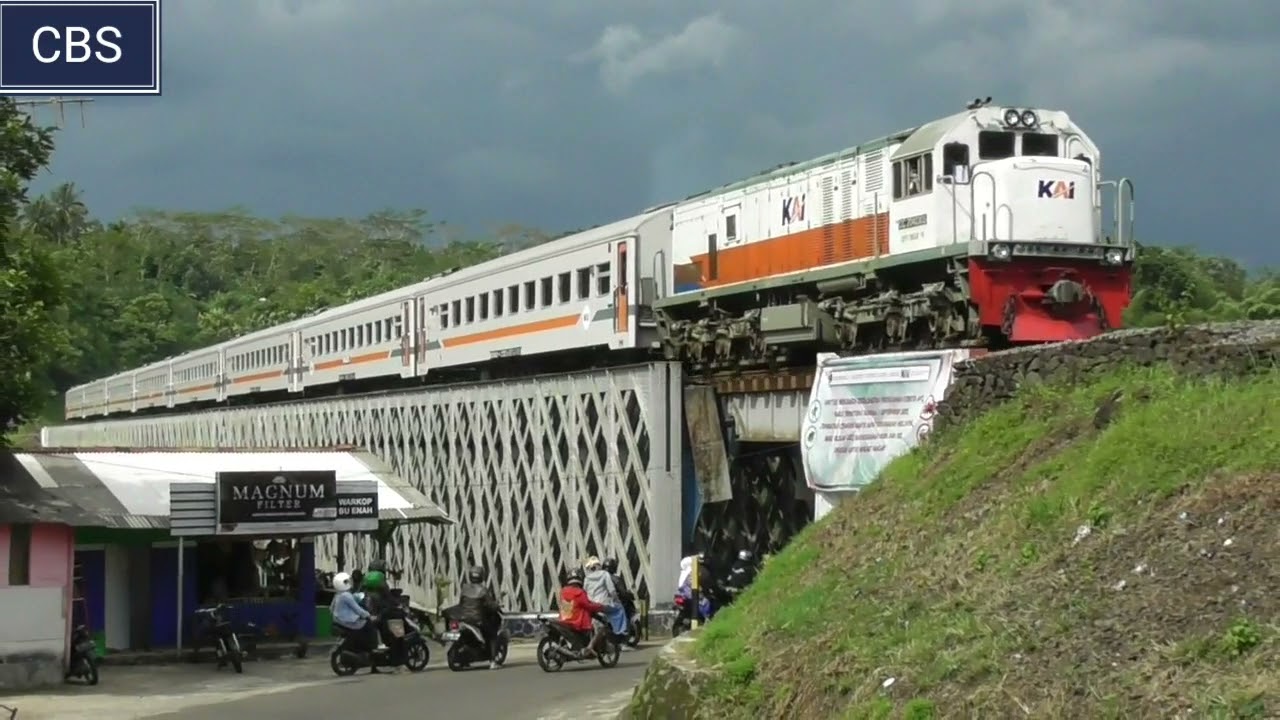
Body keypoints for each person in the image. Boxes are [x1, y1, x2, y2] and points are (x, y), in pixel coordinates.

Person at [456, 565, 503, 670]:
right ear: (482, 576)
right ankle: (493, 661)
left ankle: (465, 659)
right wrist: (497, 606)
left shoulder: (465, 589)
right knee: (492, 636)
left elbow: (461, 603)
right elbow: (491, 605)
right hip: (478, 620)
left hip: (464, 619)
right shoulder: (483, 590)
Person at [329, 572, 378, 660]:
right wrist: (368, 616)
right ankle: (367, 649)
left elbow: (331, 608)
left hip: (338, 620)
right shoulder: (346, 595)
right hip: (348, 621)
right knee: (369, 626)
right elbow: (357, 609)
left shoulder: (338, 594)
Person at [558, 567, 606, 656]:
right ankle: (589, 648)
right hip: (576, 622)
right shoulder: (579, 592)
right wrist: (601, 607)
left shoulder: (563, 591)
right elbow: (588, 605)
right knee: (597, 628)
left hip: (564, 620)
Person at [583, 556, 627, 637]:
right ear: (598, 565)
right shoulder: (604, 574)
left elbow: (584, 592)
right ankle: (620, 632)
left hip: (591, 606)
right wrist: (617, 600)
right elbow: (612, 591)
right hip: (603, 605)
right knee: (620, 609)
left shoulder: (587, 579)